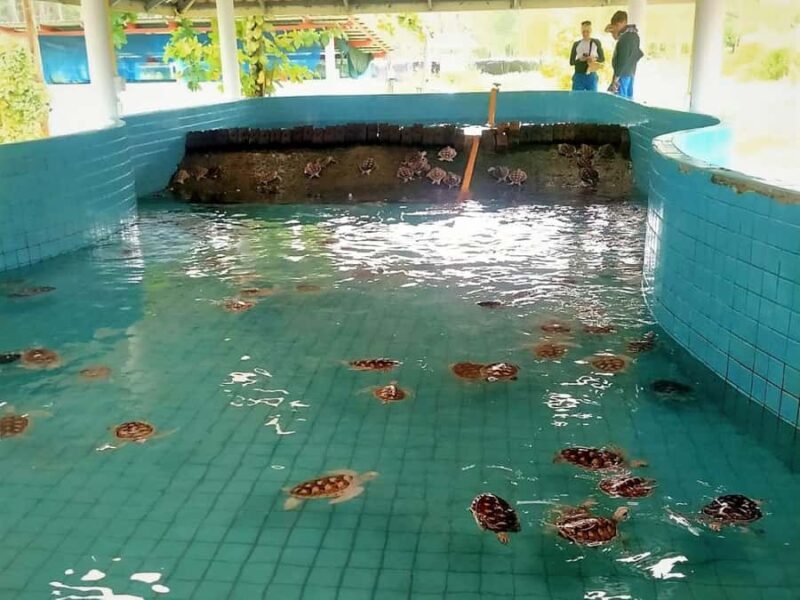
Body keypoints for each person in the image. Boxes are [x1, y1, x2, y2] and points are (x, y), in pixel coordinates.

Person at [605, 10, 644, 99]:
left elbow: (622, 60)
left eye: (617, 26)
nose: (616, 29)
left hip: (622, 75)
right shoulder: (635, 36)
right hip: (630, 73)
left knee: (621, 102)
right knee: (629, 99)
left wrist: (615, 79)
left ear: (622, 23)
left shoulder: (624, 38)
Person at [569, 21, 605, 91]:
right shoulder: (576, 44)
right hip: (578, 75)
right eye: (583, 32)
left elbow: (602, 59)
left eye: (587, 31)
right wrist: (580, 60)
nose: (585, 34)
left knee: (592, 98)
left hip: (591, 74)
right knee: (577, 98)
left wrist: (594, 59)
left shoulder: (596, 42)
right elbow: (571, 62)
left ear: (590, 31)